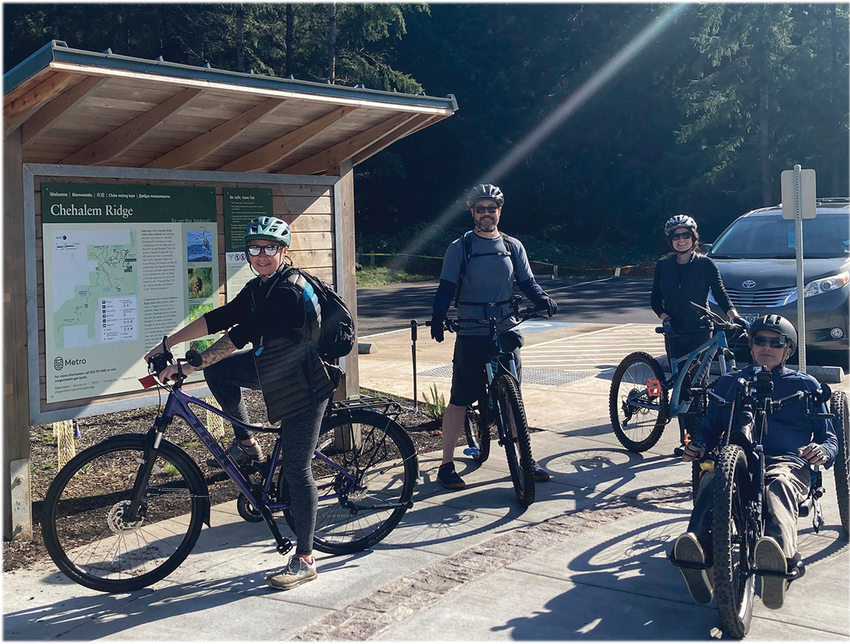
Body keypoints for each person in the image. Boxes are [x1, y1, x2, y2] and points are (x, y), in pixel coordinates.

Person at [143, 216, 332, 591]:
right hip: (275, 367)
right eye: (255, 248)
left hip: (305, 384)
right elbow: (221, 317)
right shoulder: (261, 285)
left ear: (284, 251)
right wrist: (167, 344)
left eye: (270, 248)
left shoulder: (286, 292)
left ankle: (306, 559)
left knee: (296, 470)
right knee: (221, 373)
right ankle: (248, 444)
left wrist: (189, 364)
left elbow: (239, 336)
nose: (261, 255)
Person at [672, 314, 837, 610]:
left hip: (786, 462)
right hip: (738, 462)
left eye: (776, 343)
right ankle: (697, 550)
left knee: (778, 487)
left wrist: (821, 451)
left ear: (789, 350)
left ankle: (779, 560)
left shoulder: (807, 385)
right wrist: (698, 446)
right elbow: (709, 428)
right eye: (760, 340)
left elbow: (830, 439)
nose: (767, 347)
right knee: (711, 477)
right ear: (751, 346)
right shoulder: (730, 382)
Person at [429, 183, 558, 490]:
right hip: (472, 329)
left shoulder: (513, 246)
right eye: (480, 209)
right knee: (460, 397)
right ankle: (446, 464)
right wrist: (438, 316)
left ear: (499, 211)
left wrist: (543, 299)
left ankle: (525, 458)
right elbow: (447, 287)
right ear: (472, 213)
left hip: (506, 328)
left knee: (515, 396)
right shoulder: (460, 247)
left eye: (491, 209)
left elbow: (527, 282)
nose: (486, 214)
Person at [650, 214, 742, 446]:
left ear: (694, 238)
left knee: (698, 385)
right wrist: (665, 318)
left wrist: (735, 316)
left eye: (685, 235)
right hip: (675, 331)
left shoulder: (705, 264)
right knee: (681, 382)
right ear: (670, 240)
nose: (681, 240)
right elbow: (655, 299)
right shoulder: (663, 266)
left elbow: (720, 292)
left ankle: (699, 438)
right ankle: (686, 439)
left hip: (701, 330)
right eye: (676, 236)